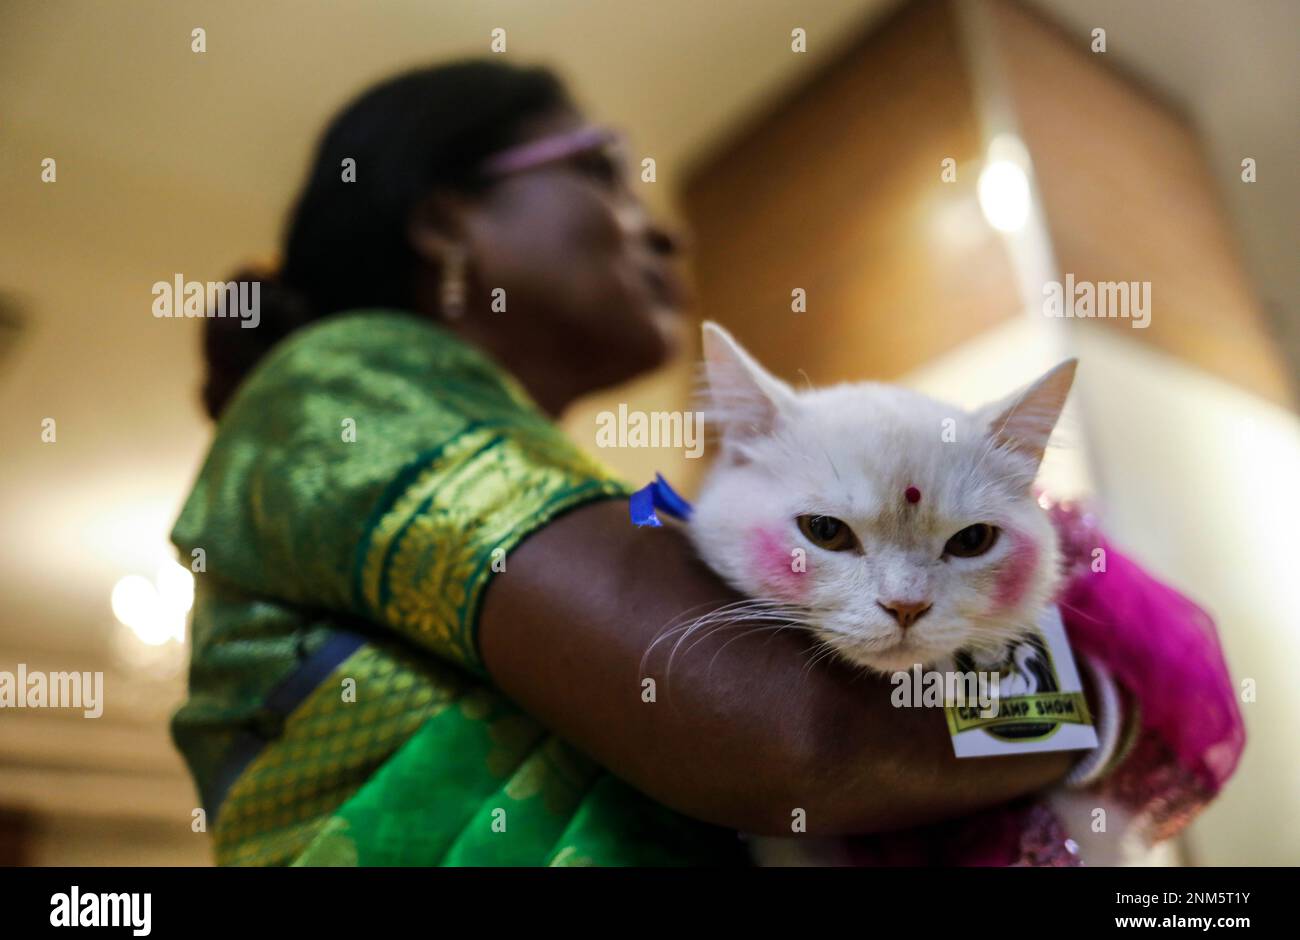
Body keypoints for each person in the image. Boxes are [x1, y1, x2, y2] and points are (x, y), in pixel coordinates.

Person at [171, 60, 1241, 866]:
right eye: (602, 172)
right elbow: (792, 737)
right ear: (452, 222)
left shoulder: (569, 480)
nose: (663, 234)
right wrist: (1106, 708)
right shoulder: (348, 379)